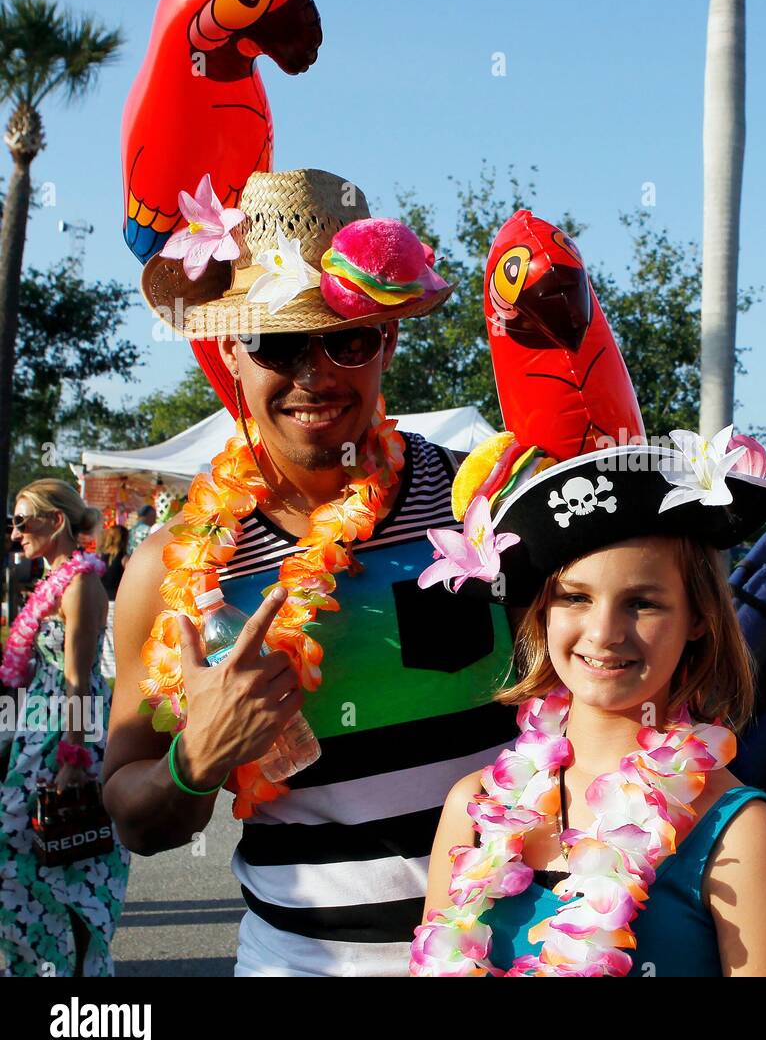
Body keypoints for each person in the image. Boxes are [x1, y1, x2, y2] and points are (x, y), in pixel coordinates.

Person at [103, 169, 518, 976]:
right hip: (302, 965)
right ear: (231, 348)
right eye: (277, 341)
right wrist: (198, 759)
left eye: (347, 339)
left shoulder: (484, 503)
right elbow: (134, 817)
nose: (314, 374)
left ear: (388, 340)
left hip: (513, 950)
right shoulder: (170, 571)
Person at [413, 433, 766, 976]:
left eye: (642, 603)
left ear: (698, 618)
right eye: (575, 597)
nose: (603, 633)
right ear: (543, 613)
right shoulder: (473, 807)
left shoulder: (737, 830)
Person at [0, 479, 130, 976]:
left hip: (67, 731)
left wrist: (73, 760)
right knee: (25, 850)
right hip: (38, 725)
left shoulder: (80, 585)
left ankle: (69, 968)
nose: (15, 533)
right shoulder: (52, 580)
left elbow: (79, 681)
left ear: (56, 521)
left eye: (22, 520)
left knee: (54, 849)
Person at [98, 523, 127, 681]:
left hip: (102, 602)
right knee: (115, 636)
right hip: (116, 602)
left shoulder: (101, 558)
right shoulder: (123, 559)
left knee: (105, 635)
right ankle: (114, 670)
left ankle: (105, 668)